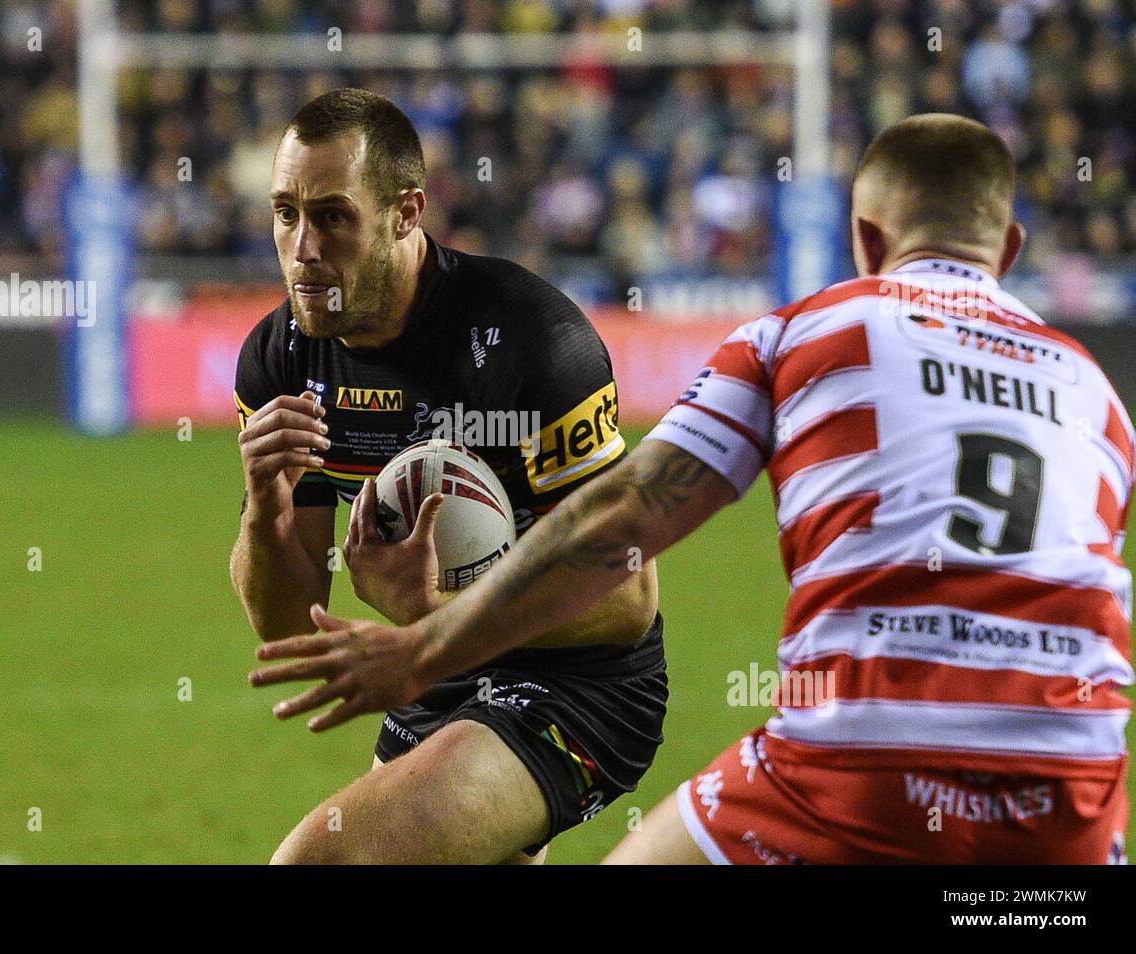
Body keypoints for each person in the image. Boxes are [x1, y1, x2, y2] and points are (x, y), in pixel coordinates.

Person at [254, 114, 1134, 864]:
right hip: (1075, 789)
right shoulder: (1100, 398)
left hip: (853, 756)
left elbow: (624, 521)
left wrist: (426, 635)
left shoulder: (803, 338)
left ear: (865, 240)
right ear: (1010, 250)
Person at [232, 88, 668, 864]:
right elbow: (290, 628)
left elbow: (627, 595)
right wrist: (265, 514)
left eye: (332, 216)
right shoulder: (283, 358)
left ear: (406, 212)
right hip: (436, 671)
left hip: (581, 688)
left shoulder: (534, 341)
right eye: (284, 212)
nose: (302, 248)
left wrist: (434, 612)